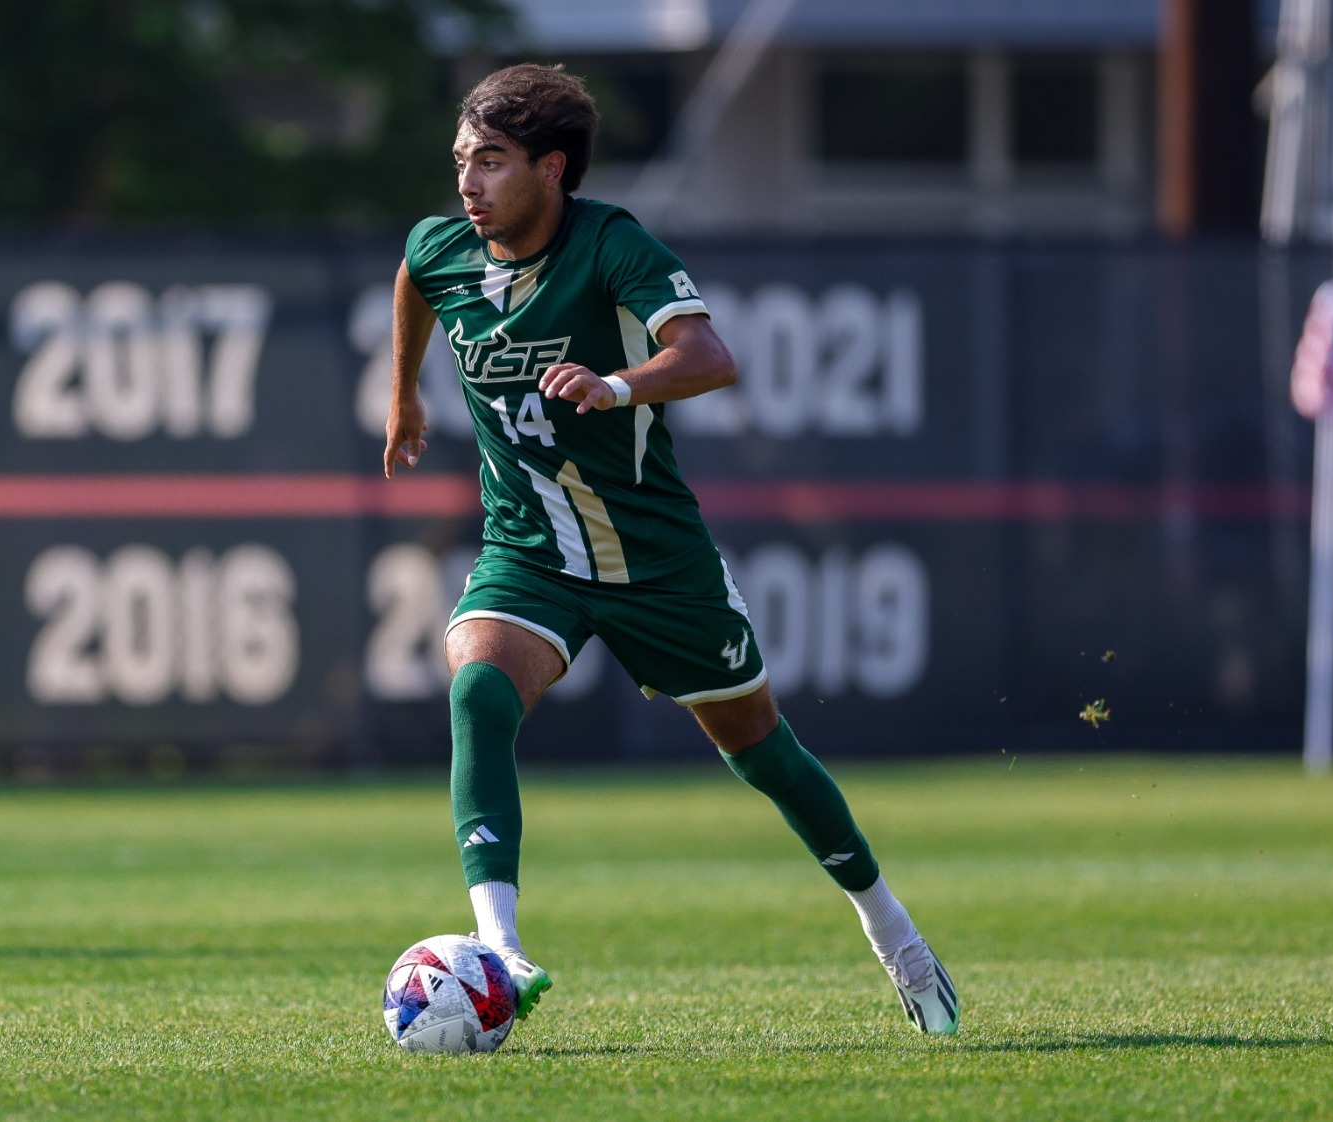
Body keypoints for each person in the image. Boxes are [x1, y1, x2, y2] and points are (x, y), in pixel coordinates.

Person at [381, 65, 957, 1033]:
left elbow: (709, 355)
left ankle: (889, 929)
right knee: (477, 689)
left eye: (490, 161)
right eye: (459, 162)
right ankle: (503, 951)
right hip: (530, 551)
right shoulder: (443, 247)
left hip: (655, 561)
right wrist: (403, 393)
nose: (467, 184)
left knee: (761, 751)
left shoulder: (610, 243)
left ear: (550, 168)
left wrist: (614, 387)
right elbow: (413, 277)